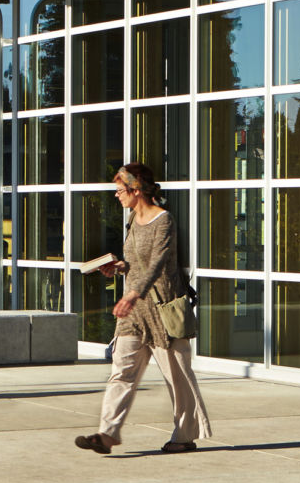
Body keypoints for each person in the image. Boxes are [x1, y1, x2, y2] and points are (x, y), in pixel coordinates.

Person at [74, 162, 212, 454]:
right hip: (134, 313)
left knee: (177, 377)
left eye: (120, 190)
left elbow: (159, 263)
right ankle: (107, 434)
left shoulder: (164, 221)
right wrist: (119, 267)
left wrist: (133, 293)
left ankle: (185, 436)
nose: (116, 195)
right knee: (121, 370)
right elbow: (136, 263)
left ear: (136, 190)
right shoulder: (132, 221)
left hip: (162, 309)